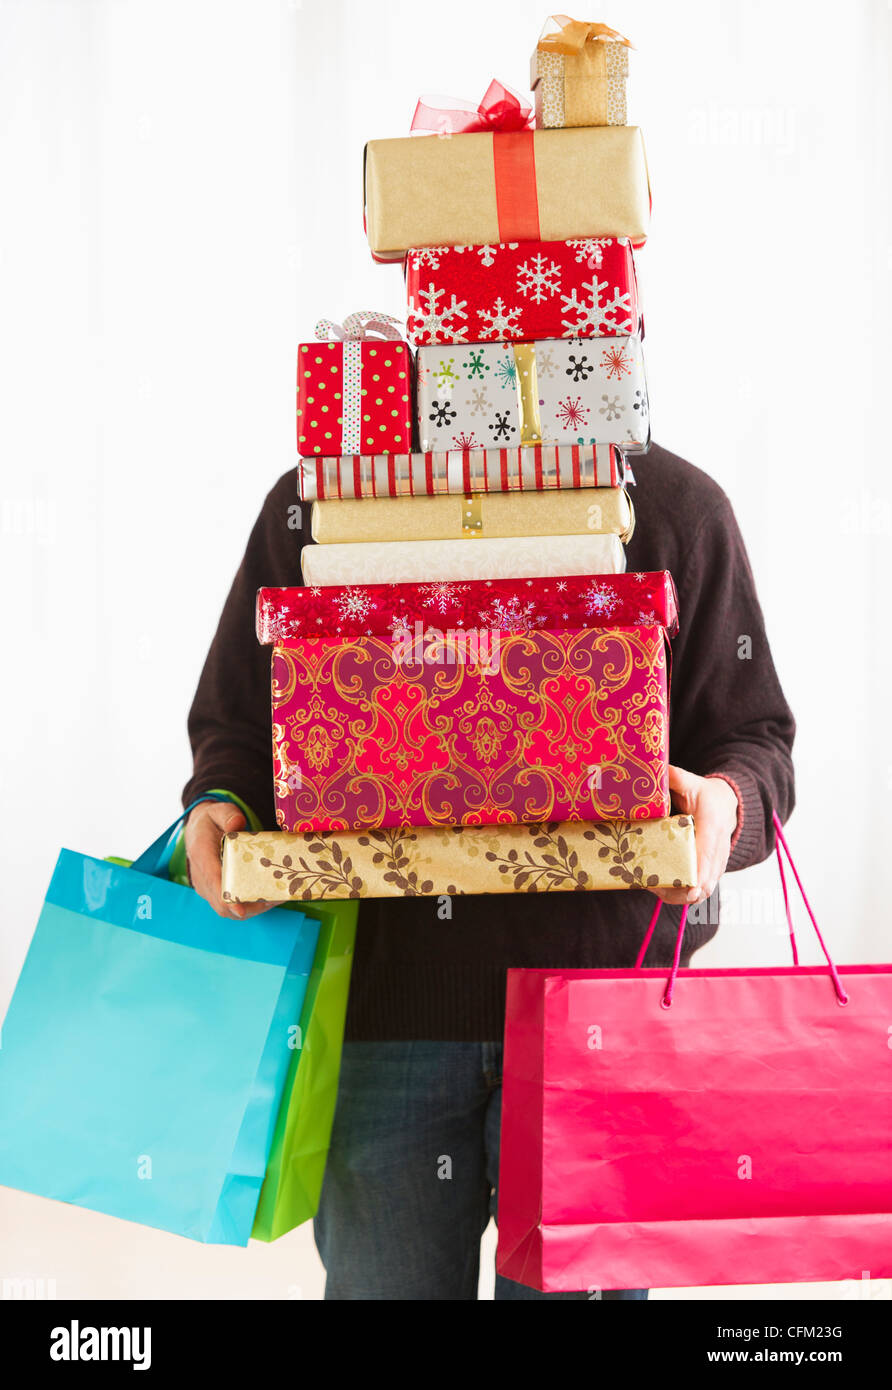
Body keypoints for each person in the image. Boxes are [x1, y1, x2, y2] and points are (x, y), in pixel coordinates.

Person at [183, 442, 795, 1300]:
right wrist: (224, 805)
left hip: (599, 1021)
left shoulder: (677, 506)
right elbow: (244, 726)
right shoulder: (323, 502)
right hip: (380, 1020)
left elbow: (754, 738)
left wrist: (726, 805)